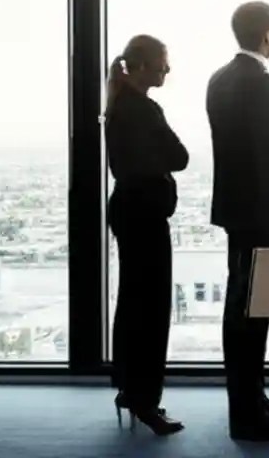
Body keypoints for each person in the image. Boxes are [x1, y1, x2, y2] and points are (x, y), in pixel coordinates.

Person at [206, 1, 269, 442]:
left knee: (241, 310)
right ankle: (247, 415)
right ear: (267, 34)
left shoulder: (219, 80)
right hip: (264, 213)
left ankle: (250, 397)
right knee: (253, 313)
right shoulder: (263, 84)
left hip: (236, 212)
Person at [104, 34, 188, 437]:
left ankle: (130, 389)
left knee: (133, 302)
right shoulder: (143, 109)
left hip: (129, 211)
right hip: (145, 215)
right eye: (161, 63)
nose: (167, 70)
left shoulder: (119, 105)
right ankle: (145, 400)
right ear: (140, 66)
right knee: (152, 309)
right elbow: (179, 157)